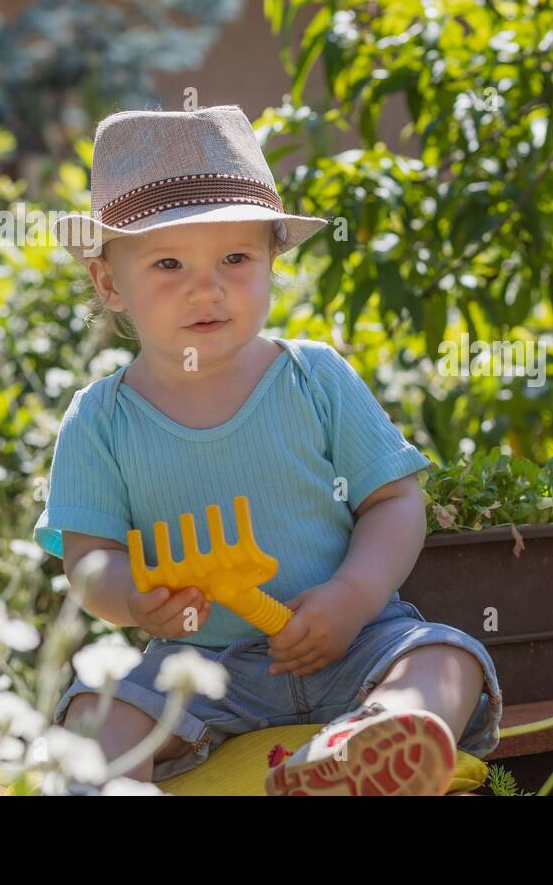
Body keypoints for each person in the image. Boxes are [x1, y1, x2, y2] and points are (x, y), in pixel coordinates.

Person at [34, 105, 501, 795]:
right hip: (200, 665)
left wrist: (350, 597)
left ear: (272, 262)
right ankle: (107, 787)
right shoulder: (103, 419)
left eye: (236, 258)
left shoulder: (315, 377)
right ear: (110, 284)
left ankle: (374, 740)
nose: (207, 286)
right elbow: (89, 557)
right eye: (168, 262)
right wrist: (135, 598)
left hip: (355, 641)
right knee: (99, 705)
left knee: (447, 656)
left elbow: (395, 502)